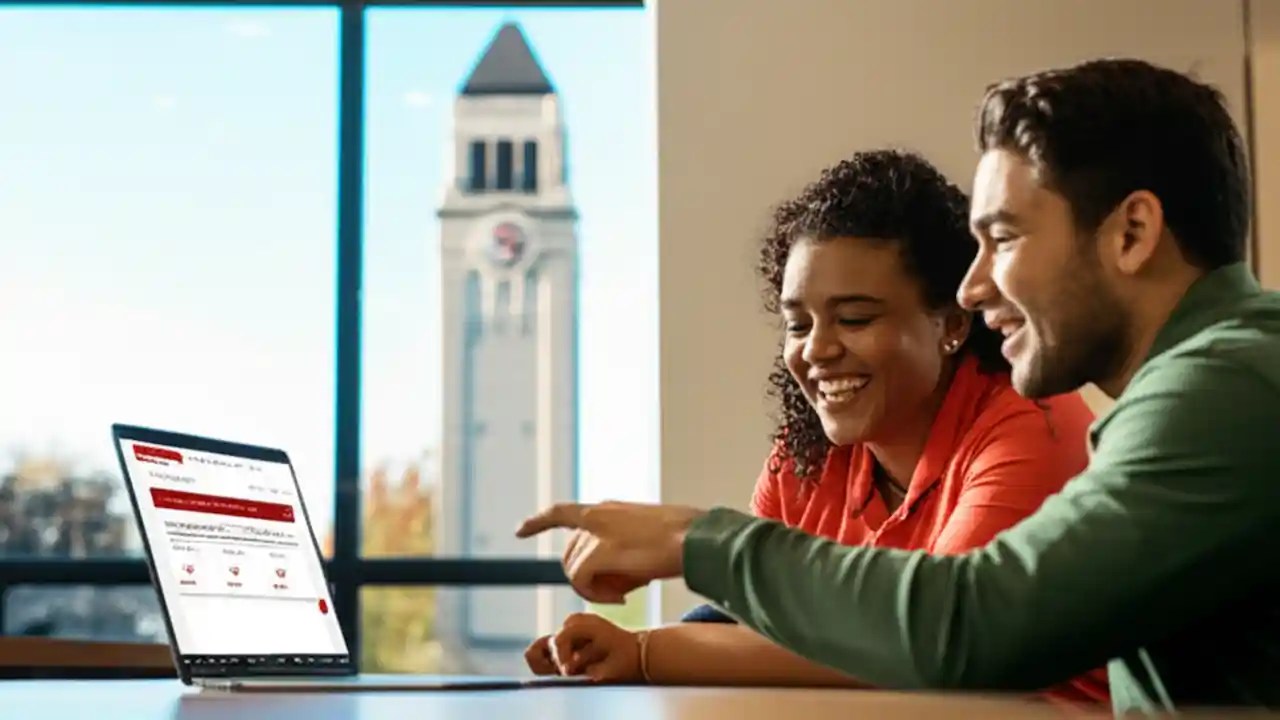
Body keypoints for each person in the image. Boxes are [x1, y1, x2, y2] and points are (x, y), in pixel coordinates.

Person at [516, 57, 1280, 716]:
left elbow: (970, 625)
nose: (975, 288)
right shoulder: (1206, 385)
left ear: (1132, 234)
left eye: (1004, 239)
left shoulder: (1224, 389)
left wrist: (692, 540)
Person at [523, 150, 1107, 705]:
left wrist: (652, 650)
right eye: (798, 325)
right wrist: (626, 649)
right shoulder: (806, 453)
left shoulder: (1033, 425)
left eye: (855, 318)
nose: (818, 350)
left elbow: (933, 645)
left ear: (951, 325)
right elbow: (753, 625)